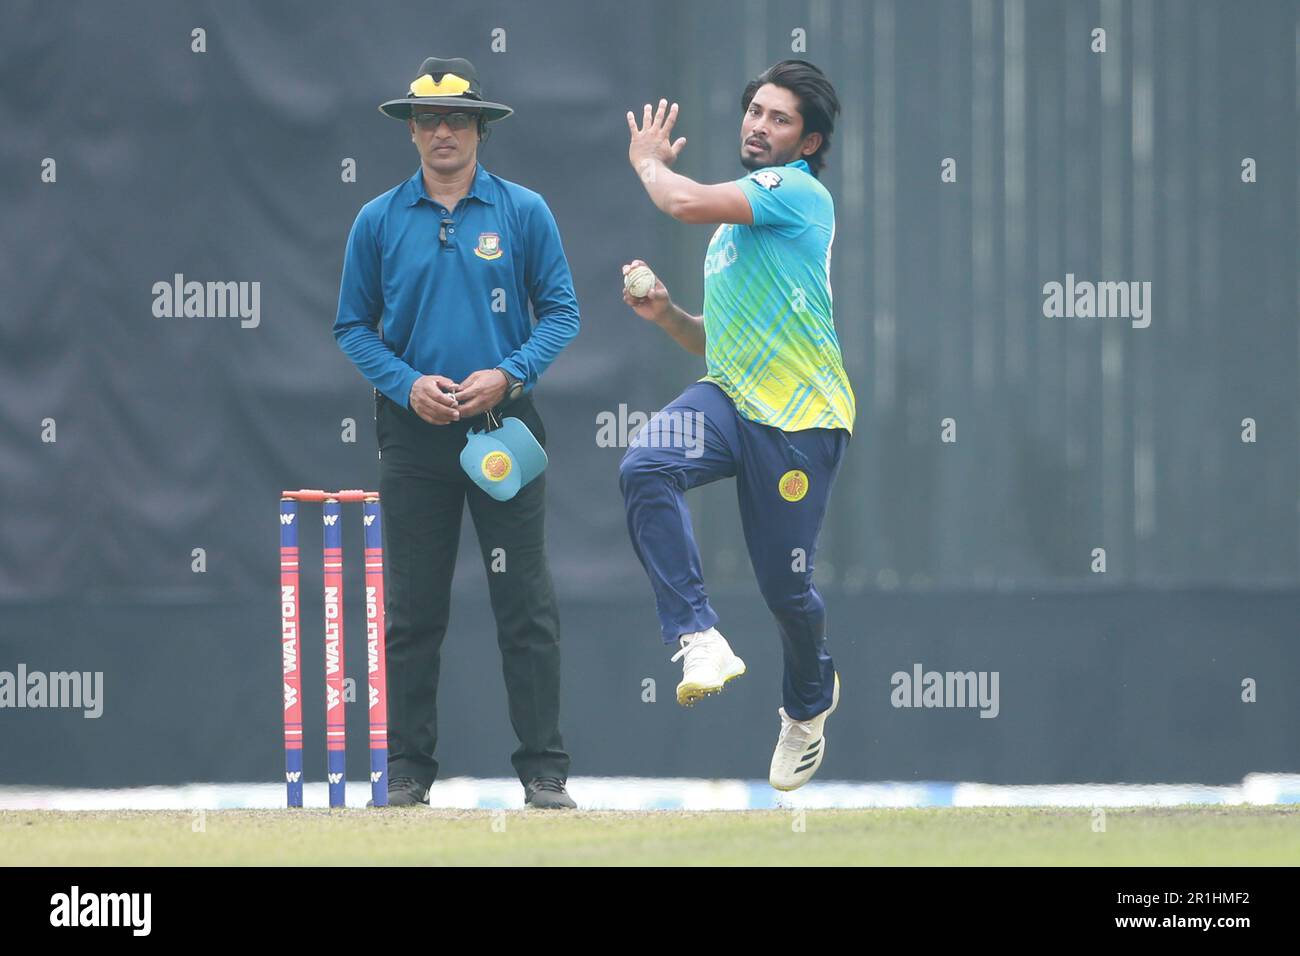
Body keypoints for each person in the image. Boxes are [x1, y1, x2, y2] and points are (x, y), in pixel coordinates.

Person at [334, 57, 579, 809]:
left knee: (525, 606)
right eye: (429, 119)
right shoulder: (378, 219)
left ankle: (544, 772)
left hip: (503, 429)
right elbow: (352, 326)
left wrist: (508, 374)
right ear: (412, 130)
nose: (443, 132)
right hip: (415, 437)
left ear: (480, 129)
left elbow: (562, 312)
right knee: (412, 610)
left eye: (458, 120)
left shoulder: (523, 211)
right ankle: (407, 771)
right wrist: (406, 384)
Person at [618, 60, 854, 791]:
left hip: (800, 419)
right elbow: (713, 343)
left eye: (780, 119)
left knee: (786, 591)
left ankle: (809, 702)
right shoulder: (733, 232)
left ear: (808, 142)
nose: (759, 125)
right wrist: (667, 315)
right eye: (755, 110)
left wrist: (648, 162)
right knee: (645, 466)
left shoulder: (797, 192)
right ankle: (697, 635)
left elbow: (682, 201)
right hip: (729, 399)